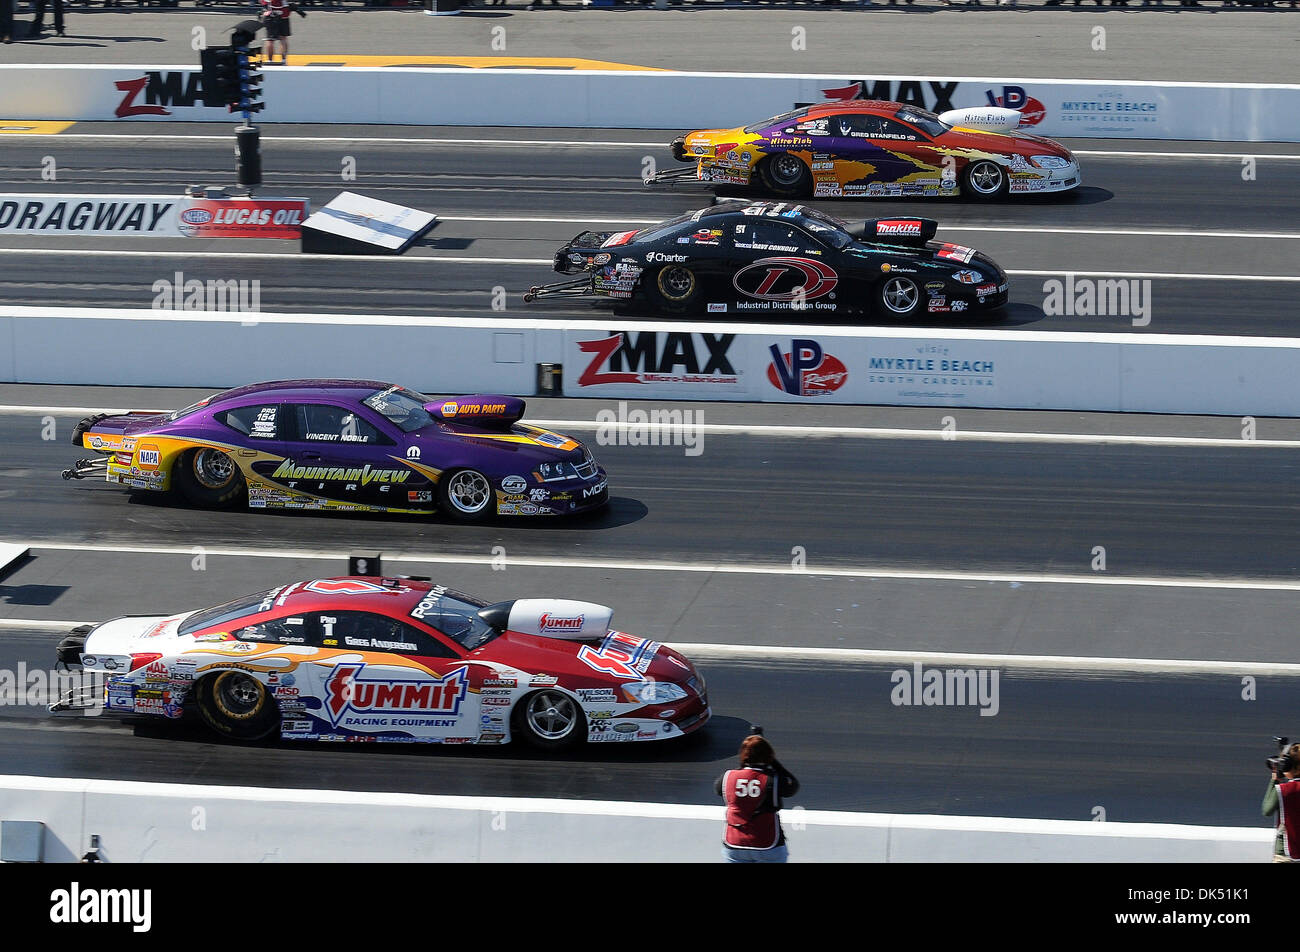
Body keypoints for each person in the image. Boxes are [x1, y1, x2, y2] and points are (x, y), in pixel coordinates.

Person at [715, 730, 799, 863]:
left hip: (734, 844)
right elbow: (792, 786)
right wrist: (775, 764)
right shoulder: (772, 780)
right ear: (768, 756)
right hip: (767, 844)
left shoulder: (728, 776)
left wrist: (744, 764)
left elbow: (719, 789)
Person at [1262, 742, 1300, 862]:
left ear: (1288, 766)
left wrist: (1274, 780)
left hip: (1286, 853)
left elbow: (1267, 810)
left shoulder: (1284, 790)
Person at [260, 0, 296, 66]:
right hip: (284, 15)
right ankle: (284, 60)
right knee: (283, 39)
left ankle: (270, 60)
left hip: (270, 16)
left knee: (270, 40)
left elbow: (263, 2)